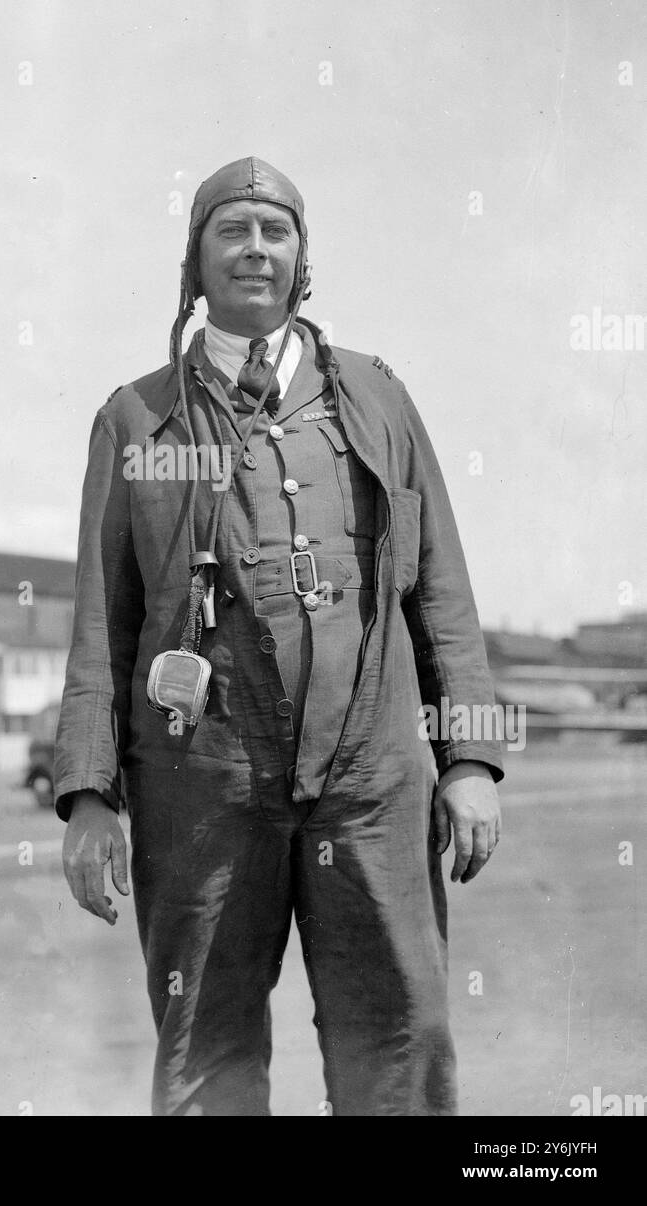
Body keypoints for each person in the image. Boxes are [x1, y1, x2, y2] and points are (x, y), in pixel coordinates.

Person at [54, 156, 503, 1116]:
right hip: (201, 786)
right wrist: (88, 797)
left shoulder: (378, 398)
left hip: (372, 785)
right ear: (196, 259)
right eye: (232, 231)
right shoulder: (136, 417)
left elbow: (444, 593)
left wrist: (468, 759)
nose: (255, 250)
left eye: (275, 232)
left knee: (401, 1039)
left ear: (303, 260)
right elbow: (102, 621)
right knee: (204, 1050)